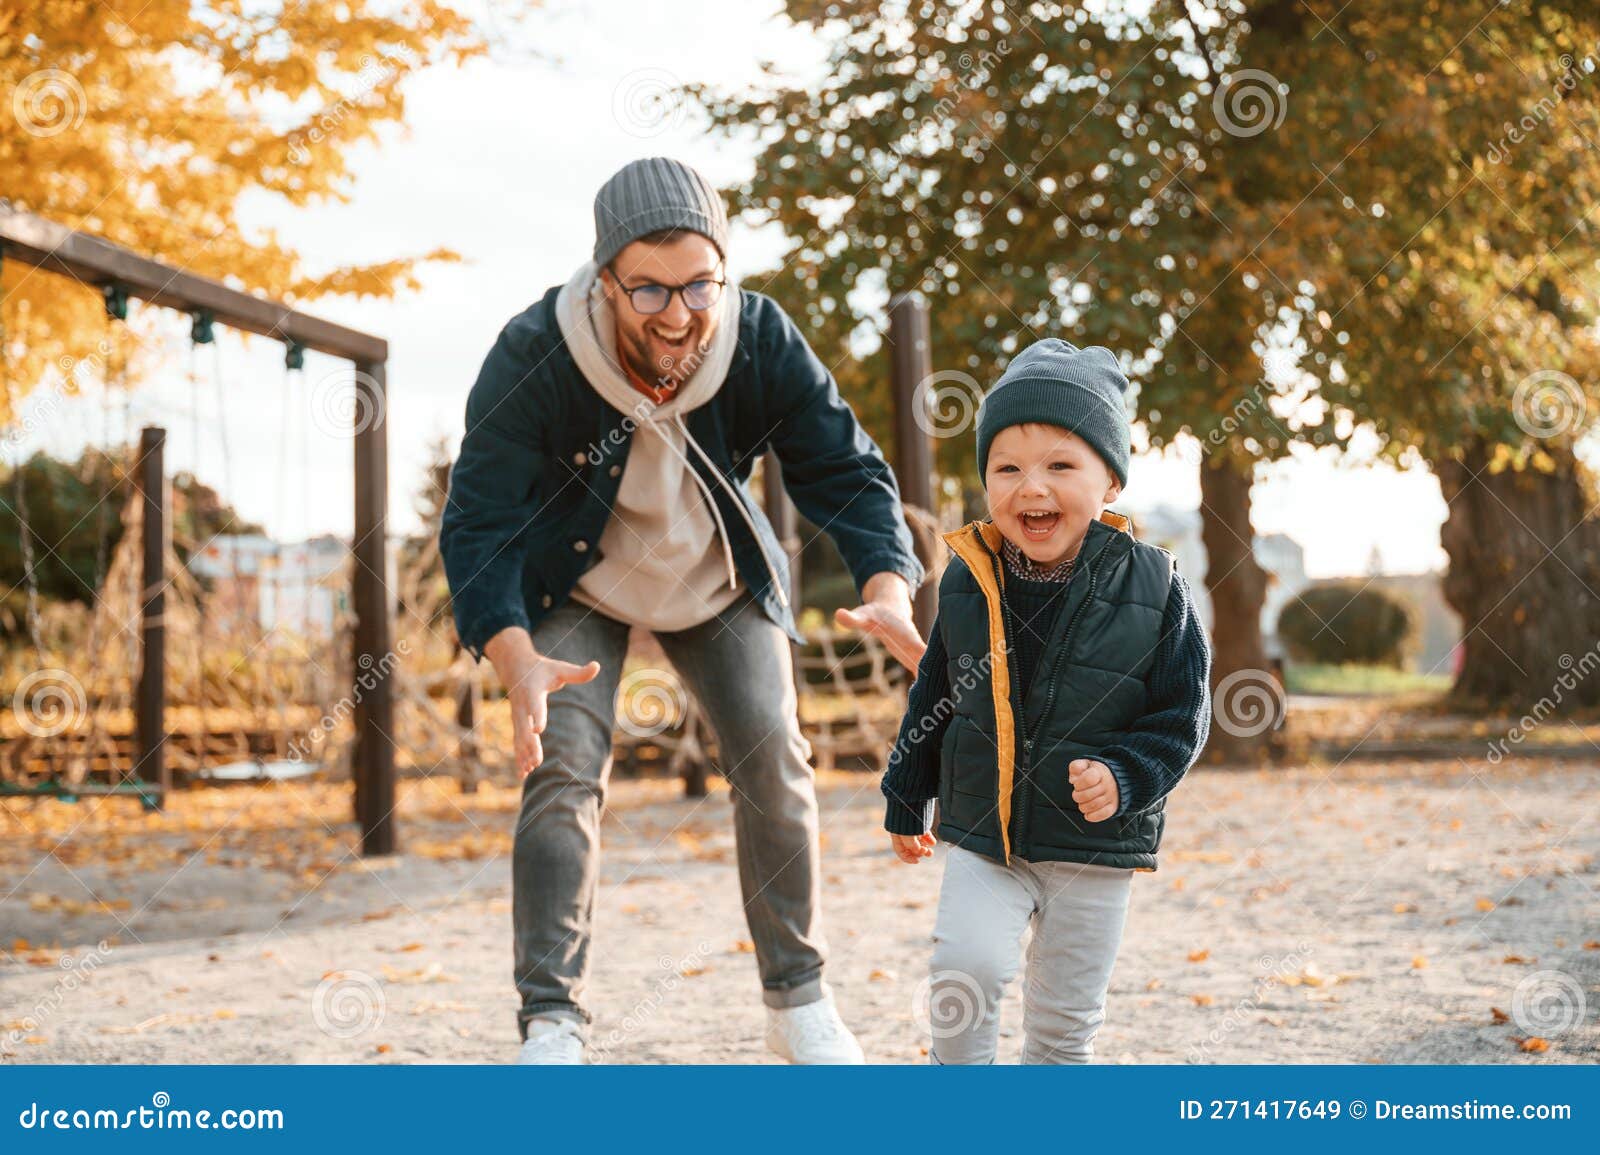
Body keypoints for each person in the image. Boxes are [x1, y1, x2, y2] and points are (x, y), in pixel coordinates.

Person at [440, 157, 926, 1064]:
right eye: (650, 289)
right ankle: (552, 1019)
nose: (677, 312)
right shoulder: (536, 352)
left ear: (723, 272)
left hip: (715, 577)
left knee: (776, 759)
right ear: (607, 279)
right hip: (573, 584)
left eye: (699, 283)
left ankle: (798, 1001)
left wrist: (886, 585)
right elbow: (480, 520)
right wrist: (513, 654)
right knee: (563, 770)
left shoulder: (756, 338)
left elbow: (847, 470)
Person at [879, 338, 1213, 1064]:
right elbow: (935, 689)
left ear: (1111, 481)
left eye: (1061, 465)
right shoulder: (967, 579)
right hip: (983, 834)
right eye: (1008, 467)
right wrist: (907, 788)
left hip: (1093, 846)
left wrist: (1125, 776)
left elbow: (1182, 717)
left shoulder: (1155, 589)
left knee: (1064, 1024)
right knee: (964, 972)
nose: (1032, 487)